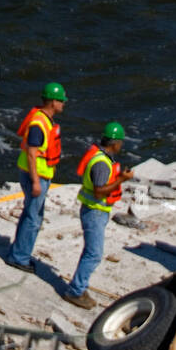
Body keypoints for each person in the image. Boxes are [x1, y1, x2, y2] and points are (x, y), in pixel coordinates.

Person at [63, 122, 134, 308]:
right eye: (121, 142)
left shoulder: (99, 156)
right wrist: (122, 179)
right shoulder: (102, 163)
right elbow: (99, 191)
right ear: (115, 143)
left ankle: (79, 286)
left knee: (91, 252)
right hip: (94, 211)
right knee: (94, 254)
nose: (121, 146)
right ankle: (75, 291)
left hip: (95, 211)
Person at [8, 82, 67, 272]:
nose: (63, 104)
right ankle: (19, 257)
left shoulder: (44, 120)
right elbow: (32, 153)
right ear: (52, 102)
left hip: (39, 175)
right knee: (32, 218)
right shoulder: (39, 124)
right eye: (61, 101)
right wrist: (35, 182)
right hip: (35, 176)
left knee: (32, 215)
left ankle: (20, 253)